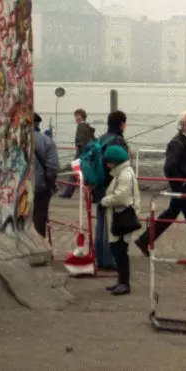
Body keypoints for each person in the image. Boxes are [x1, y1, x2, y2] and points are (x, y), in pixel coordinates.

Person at [135, 111, 186, 258]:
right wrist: (181, 182)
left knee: (171, 215)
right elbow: (169, 167)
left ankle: (144, 240)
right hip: (183, 187)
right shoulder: (176, 142)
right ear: (184, 125)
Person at [99, 145, 140, 296]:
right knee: (118, 249)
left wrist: (104, 201)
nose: (107, 165)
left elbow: (120, 197)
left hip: (122, 217)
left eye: (109, 162)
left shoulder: (124, 175)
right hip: (120, 216)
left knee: (120, 250)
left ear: (115, 162)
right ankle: (121, 281)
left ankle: (124, 283)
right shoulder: (122, 173)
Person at [92, 111, 129, 270]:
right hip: (111, 186)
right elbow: (121, 165)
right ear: (121, 123)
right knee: (111, 224)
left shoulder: (102, 138)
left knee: (100, 223)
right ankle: (109, 260)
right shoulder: (118, 140)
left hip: (98, 185)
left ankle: (100, 257)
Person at [59, 109, 96, 198]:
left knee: (75, 171)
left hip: (81, 153)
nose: (76, 118)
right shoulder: (87, 127)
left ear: (81, 116)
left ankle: (68, 192)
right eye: (75, 116)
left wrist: (79, 148)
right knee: (80, 172)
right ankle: (70, 192)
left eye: (77, 116)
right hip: (87, 152)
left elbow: (80, 140)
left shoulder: (81, 126)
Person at [33, 113, 59, 238]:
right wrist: (50, 182)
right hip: (40, 187)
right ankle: (38, 244)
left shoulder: (11, 139)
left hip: (16, 189)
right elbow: (52, 168)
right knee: (39, 219)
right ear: (37, 124)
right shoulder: (47, 141)